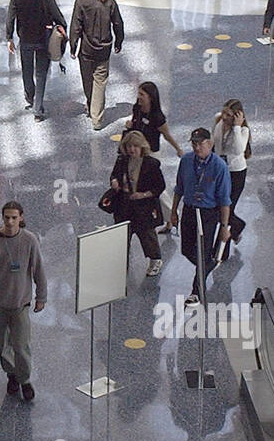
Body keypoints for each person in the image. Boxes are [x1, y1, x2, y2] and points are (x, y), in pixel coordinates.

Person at [0, 201, 46, 401]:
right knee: (3, 346)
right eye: (6, 217)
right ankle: (12, 374)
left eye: (14, 217)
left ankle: (24, 380)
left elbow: (39, 269)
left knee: (22, 346)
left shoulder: (30, 240)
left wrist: (41, 297)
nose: (9, 221)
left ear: (21, 218)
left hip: (19, 304)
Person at [169, 128, 232, 305]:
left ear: (210, 144)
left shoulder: (219, 166)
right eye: (194, 143)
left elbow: (225, 199)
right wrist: (174, 212)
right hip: (189, 209)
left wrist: (224, 227)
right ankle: (209, 264)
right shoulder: (186, 161)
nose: (196, 147)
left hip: (207, 214)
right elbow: (179, 188)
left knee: (202, 251)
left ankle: (196, 291)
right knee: (187, 250)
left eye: (200, 143)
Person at [6, 0, 66, 120]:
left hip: (25, 38)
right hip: (43, 38)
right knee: (41, 74)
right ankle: (38, 109)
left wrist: (9, 37)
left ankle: (30, 96)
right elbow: (57, 15)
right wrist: (62, 27)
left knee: (27, 70)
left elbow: (10, 18)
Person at [69, 0, 125, 131]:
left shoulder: (81, 2)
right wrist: (118, 42)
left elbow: (76, 26)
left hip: (86, 50)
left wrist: (73, 46)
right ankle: (97, 118)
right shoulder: (109, 1)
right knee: (100, 82)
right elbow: (118, 24)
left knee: (87, 80)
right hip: (104, 50)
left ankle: (91, 106)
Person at [107, 131, 165, 277]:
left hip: (143, 206)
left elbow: (159, 186)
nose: (132, 149)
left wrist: (143, 195)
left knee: (147, 235)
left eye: (135, 146)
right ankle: (121, 264)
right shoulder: (122, 160)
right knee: (122, 235)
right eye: (129, 146)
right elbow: (114, 175)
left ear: (142, 147)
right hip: (124, 204)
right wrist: (114, 181)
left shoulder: (151, 164)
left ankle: (155, 260)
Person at [212, 99, 250, 259]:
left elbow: (239, 149)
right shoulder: (218, 121)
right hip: (221, 170)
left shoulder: (243, 130)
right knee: (221, 208)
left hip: (236, 173)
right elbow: (215, 144)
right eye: (224, 112)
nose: (225, 117)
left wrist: (236, 127)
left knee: (227, 209)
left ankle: (221, 250)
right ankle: (238, 226)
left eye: (229, 114)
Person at [124, 82, 183, 159]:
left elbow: (167, 135)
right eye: (138, 93)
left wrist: (178, 149)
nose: (138, 97)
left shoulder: (158, 117)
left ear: (150, 97)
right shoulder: (137, 108)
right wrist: (130, 125)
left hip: (150, 153)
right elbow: (134, 122)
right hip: (136, 150)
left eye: (142, 94)